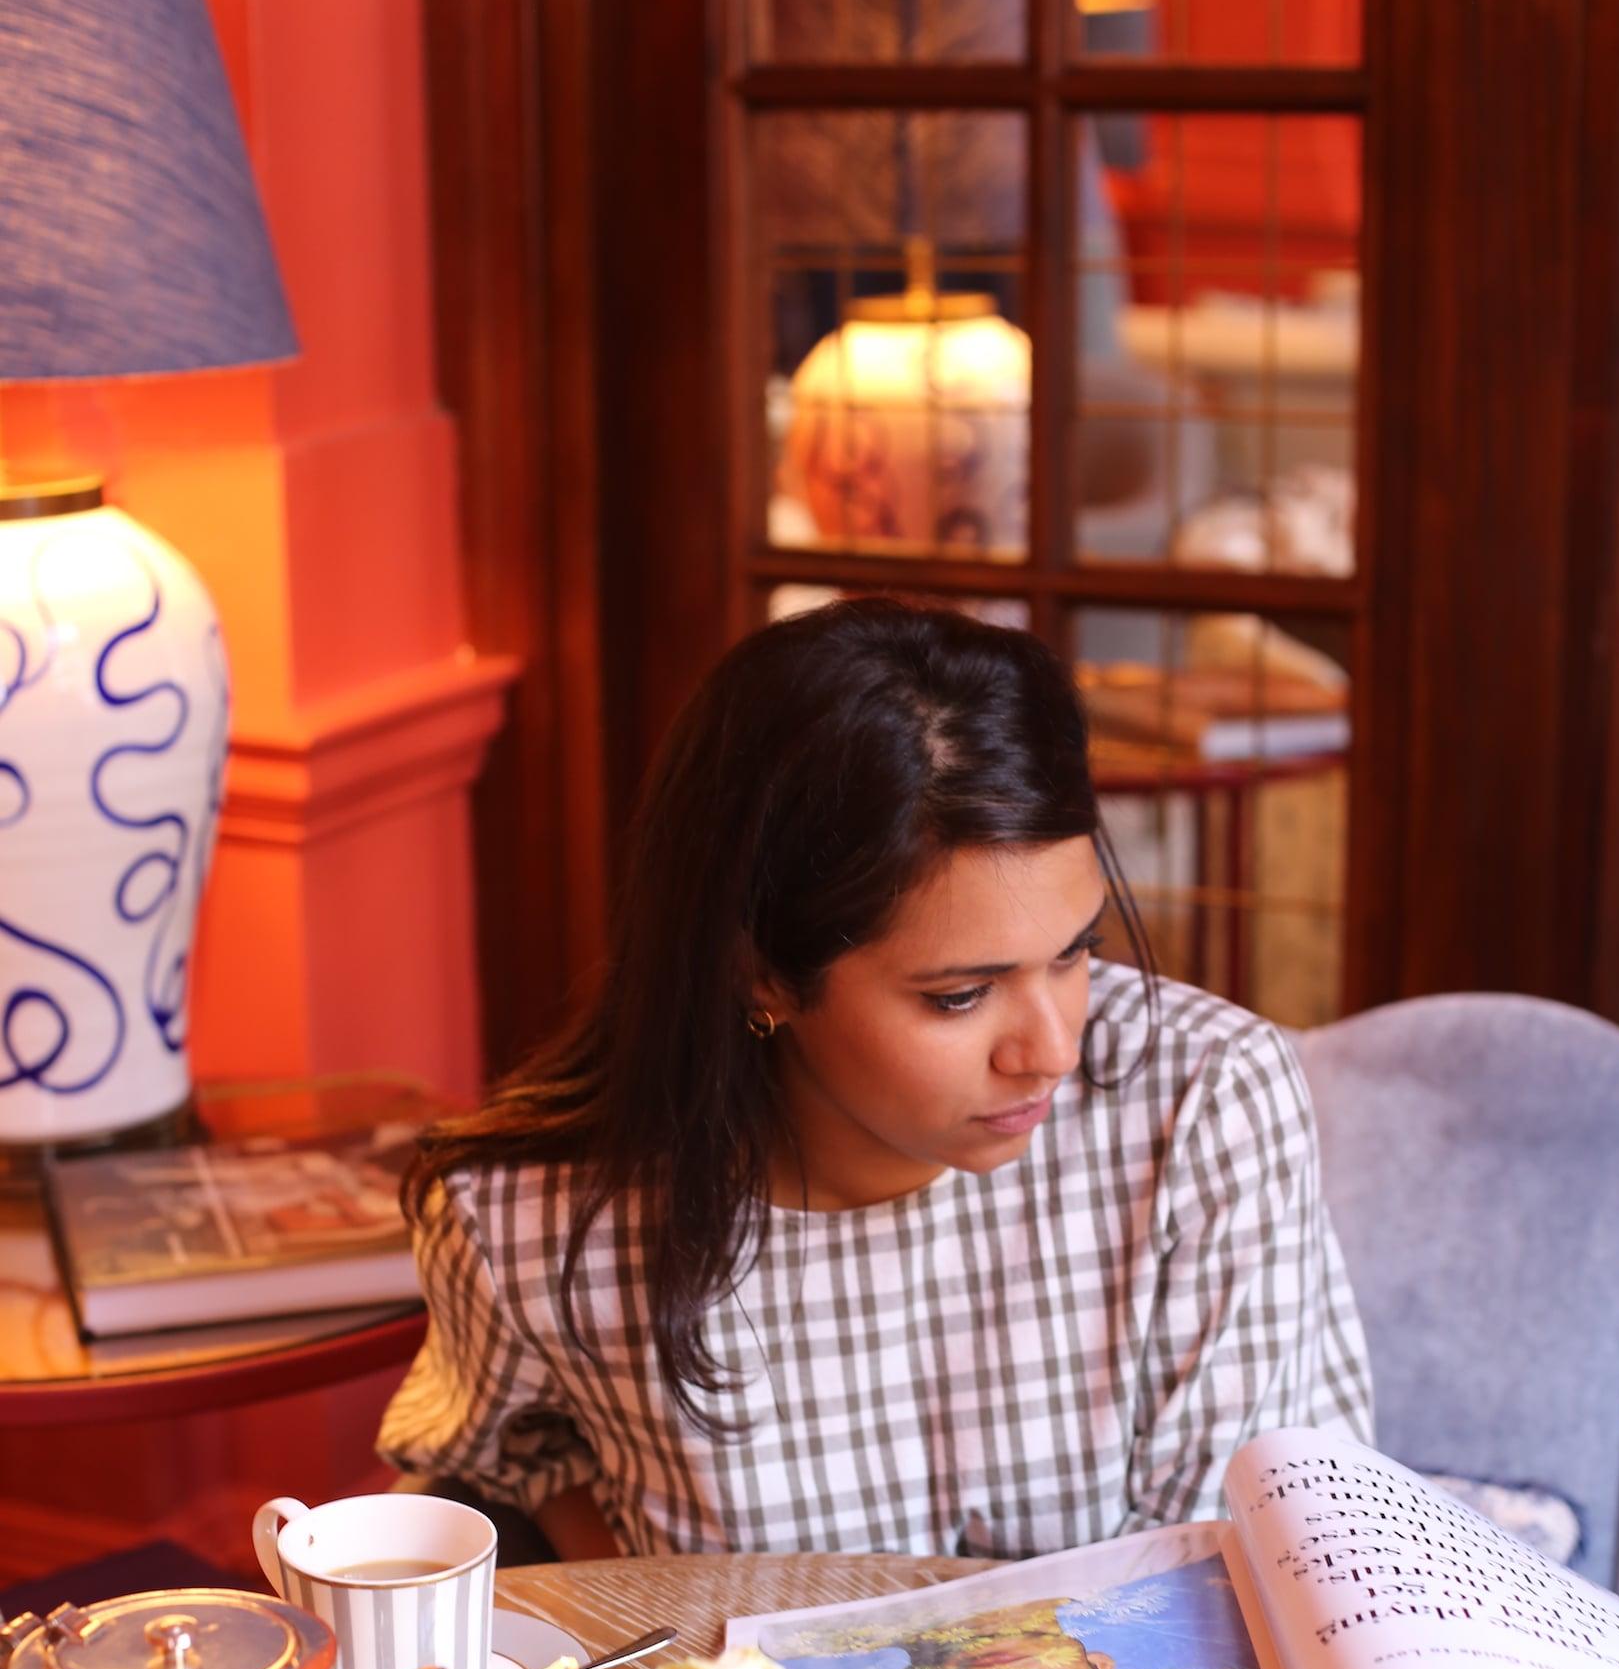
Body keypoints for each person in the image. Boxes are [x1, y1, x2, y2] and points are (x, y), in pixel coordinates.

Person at [377, 598, 1372, 1561]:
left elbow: (1239, 1558)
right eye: (960, 995)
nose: (1051, 1051)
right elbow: (499, 1458)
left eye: (1075, 952)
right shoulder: (535, 1224)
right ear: (761, 972)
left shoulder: (1203, 1108)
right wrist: (656, 1608)